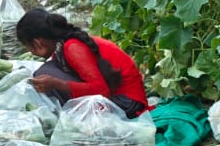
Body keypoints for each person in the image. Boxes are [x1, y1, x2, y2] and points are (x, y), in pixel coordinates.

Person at [16, 8, 150, 118]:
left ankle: (73, 118)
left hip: (129, 103)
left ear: (37, 43)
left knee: (46, 73)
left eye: (28, 46)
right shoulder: (61, 45)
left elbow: (101, 90)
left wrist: (57, 84)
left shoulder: (73, 48)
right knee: (48, 70)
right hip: (119, 96)